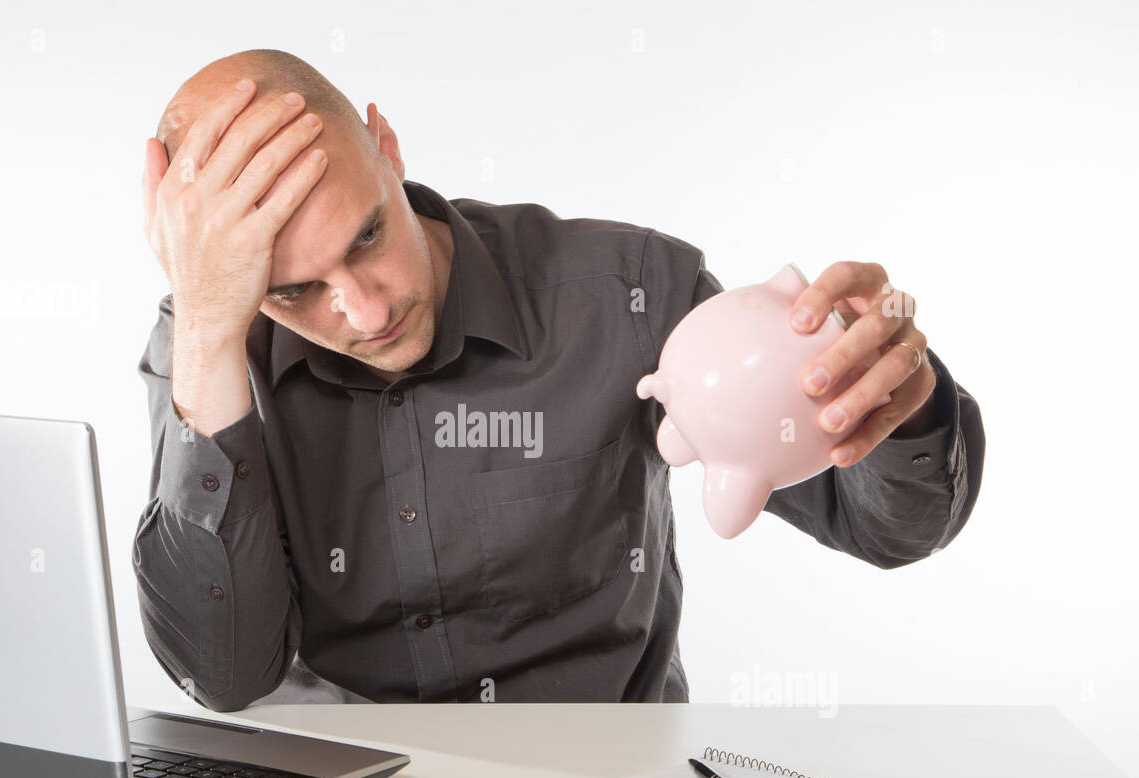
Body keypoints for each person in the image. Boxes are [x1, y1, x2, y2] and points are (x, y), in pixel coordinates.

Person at [133, 49, 985, 710]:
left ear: (386, 149)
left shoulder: (627, 294)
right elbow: (223, 675)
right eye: (295, 291)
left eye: (364, 237)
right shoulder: (213, 344)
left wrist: (895, 400)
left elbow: (888, 531)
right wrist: (207, 336)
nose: (361, 311)